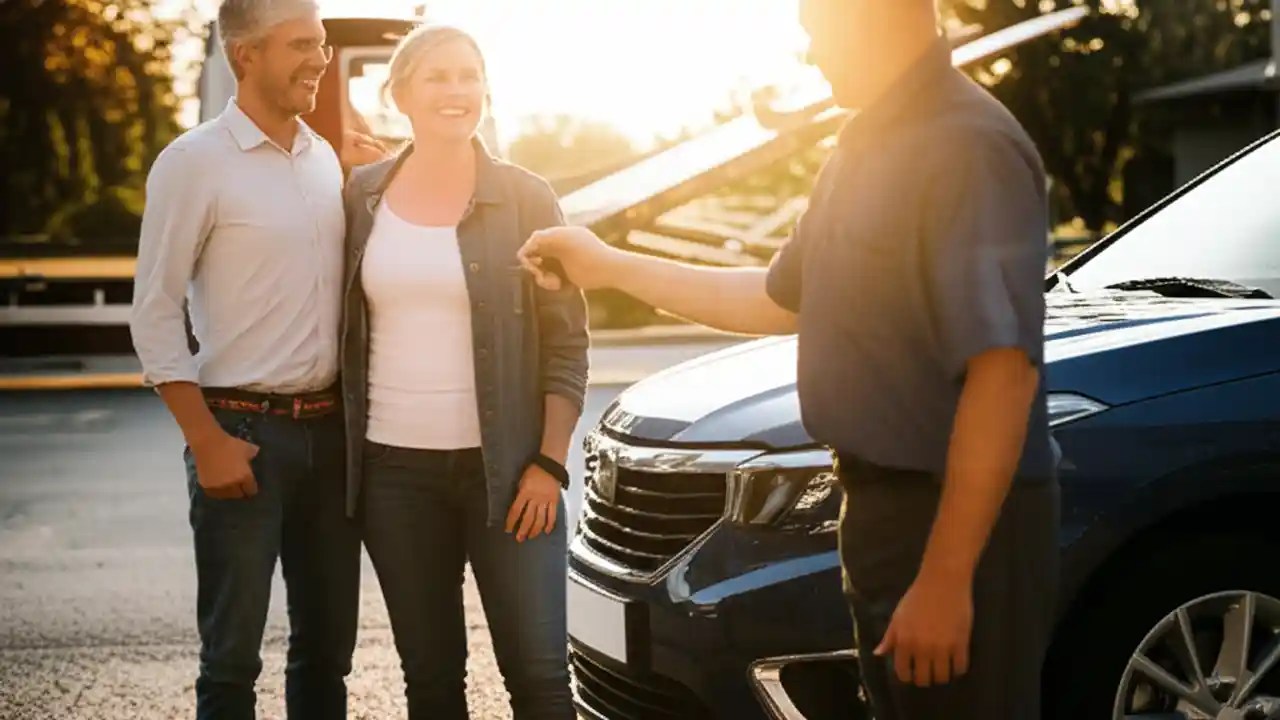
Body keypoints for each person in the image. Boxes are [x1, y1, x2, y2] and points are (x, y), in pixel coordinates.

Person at [518, 0, 1059, 717]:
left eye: (821, 33)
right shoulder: (864, 146)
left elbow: (1002, 373)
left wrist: (947, 578)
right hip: (881, 516)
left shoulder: (967, 146)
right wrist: (609, 264)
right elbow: (778, 299)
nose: (811, 55)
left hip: (955, 530)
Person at [338, 24, 589, 720]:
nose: (457, 91)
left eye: (469, 75)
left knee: (540, 682)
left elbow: (567, 346)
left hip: (511, 476)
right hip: (395, 478)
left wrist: (548, 465)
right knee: (432, 681)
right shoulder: (361, 196)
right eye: (438, 77)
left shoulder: (527, 199)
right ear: (401, 95)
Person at [129, 1, 361, 718]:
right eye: (301, 44)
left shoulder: (326, 160)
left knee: (327, 656)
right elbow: (155, 309)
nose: (320, 59)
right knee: (230, 664)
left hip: (331, 437)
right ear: (245, 55)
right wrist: (206, 442)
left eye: (321, 43)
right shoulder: (193, 162)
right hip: (241, 435)